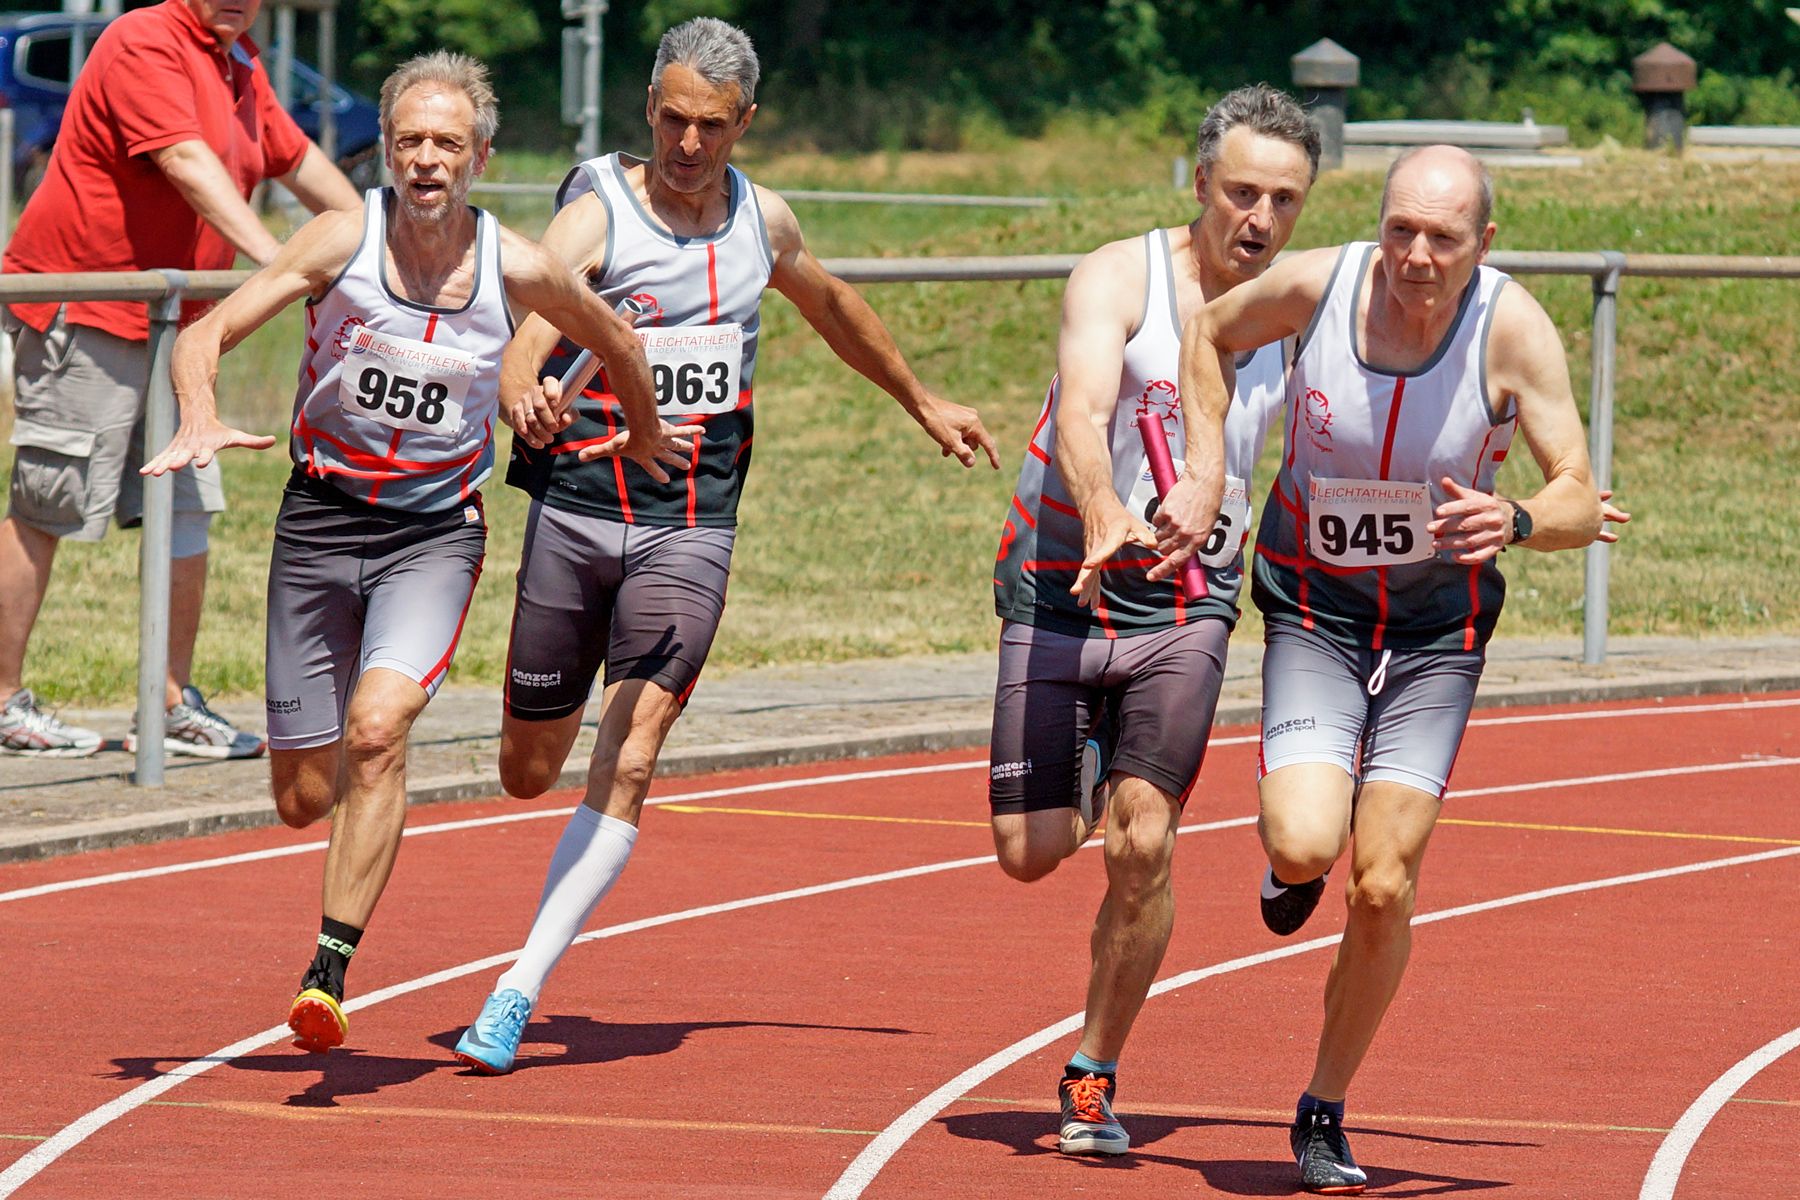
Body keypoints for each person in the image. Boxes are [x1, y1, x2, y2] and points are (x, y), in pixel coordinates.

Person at [450, 16, 997, 1075]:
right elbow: (535, 311)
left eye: (710, 125)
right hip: (577, 507)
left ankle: (516, 991)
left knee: (637, 749)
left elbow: (831, 304)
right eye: (671, 118)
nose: (688, 143)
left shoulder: (763, 222)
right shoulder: (596, 211)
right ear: (647, 107)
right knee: (527, 769)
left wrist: (921, 399)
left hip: (691, 518)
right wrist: (521, 382)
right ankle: (540, 797)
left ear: (745, 122)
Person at [141, 52, 678, 1055]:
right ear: (386, 152)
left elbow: (617, 338)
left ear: (480, 156)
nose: (428, 161)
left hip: (433, 534)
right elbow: (204, 333)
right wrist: (202, 415)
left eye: (447, 144)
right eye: (409, 143)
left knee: (380, 729)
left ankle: (328, 970)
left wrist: (640, 433)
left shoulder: (517, 266)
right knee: (304, 795)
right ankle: (352, 802)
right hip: (318, 520)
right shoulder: (344, 239)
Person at [1180, 144, 1616, 1193]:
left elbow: (1579, 496)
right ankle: (1293, 869)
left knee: (1382, 883)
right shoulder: (1319, 286)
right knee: (1303, 842)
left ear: (1485, 244)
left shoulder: (1510, 330)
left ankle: (1324, 1105)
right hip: (1317, 612)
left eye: (1444, 239)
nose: (1417, 257)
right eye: (1401, 231)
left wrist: (1512, 519)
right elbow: (1211, 332)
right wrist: (1206, 464)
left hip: (1435, 635)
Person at [987, 85, 1319, 1157]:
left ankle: (1094, 1068)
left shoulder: (1301, 313)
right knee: (1029, 853)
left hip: (1188, 602)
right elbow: (1083, 410)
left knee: (1143, 842)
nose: (1258, 220)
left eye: (1282, 200)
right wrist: (1106, 512)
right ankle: (1082, 761)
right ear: (1199, 185)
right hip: (1061, 576)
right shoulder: (1120, 274)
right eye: (1240, 193)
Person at [0, 0, 360, 758]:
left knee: (187, 505)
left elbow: (298, 163)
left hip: (175, 323)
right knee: (48, 502)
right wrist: (279, 263)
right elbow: (187, 162)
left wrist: (381, 241)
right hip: (89, 304)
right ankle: (1, 700)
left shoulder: (239, 61)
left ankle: (168, 702)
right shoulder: (146, 40)